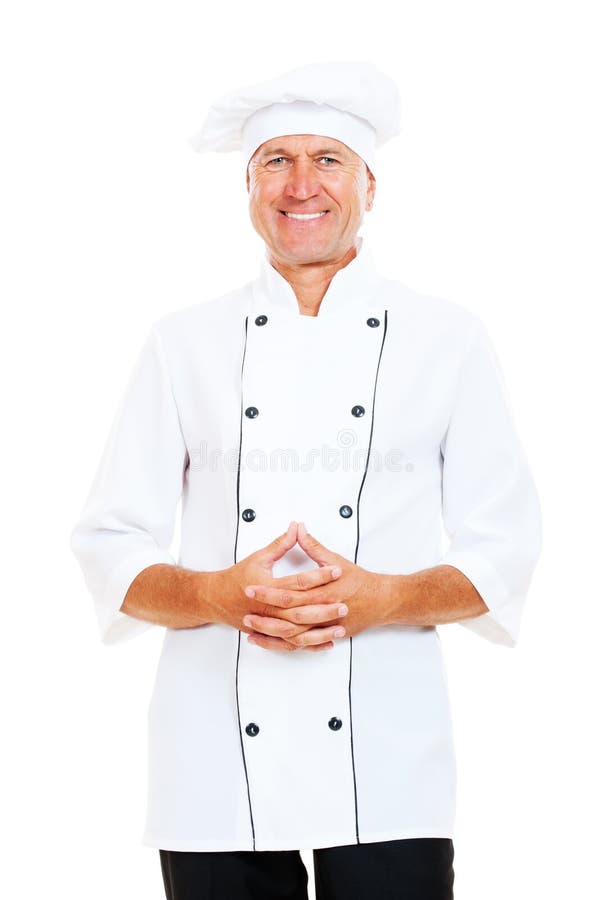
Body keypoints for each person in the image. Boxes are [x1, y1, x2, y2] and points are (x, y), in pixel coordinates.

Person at [70, 61, 542, 900]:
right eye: (274, 160)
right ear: (248, 186)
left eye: (326, 159)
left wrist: (382, 599)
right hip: (215, 754)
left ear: (368, 183)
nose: (300, 184)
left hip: (385, 757)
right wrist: (217, 594)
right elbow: (109, 541)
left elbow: (504, 548)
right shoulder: (183, 342)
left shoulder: (447, 337)